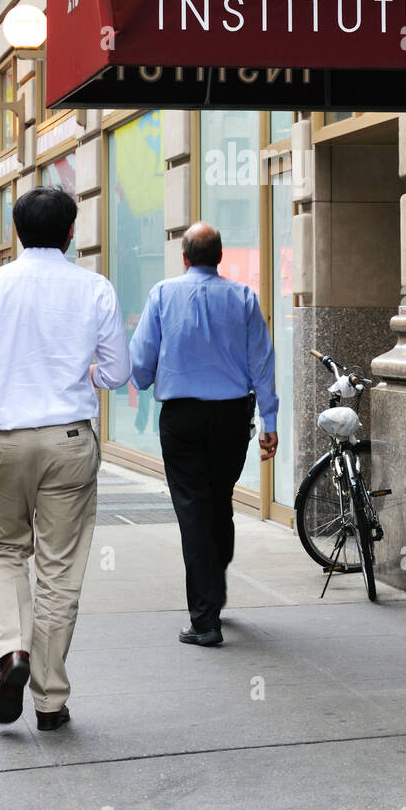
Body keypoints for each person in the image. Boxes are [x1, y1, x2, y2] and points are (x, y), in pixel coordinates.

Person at [0, 187, 130, 731]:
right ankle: (50, 701)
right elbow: (116, 373)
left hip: (1, 443)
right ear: (71, 232)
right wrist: (86, 374)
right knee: (59, 572)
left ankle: (12, 653)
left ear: (15, 234)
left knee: (2, 552)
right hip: (68, 443)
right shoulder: (95, 288)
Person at [130, 221, 279, 648]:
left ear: (184, 257)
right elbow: (262, 362)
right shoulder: (244, 298)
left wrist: (139, 381)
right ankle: (213, 590)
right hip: (232, 416)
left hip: (182, 418)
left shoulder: (162, 294)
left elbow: (142, 360)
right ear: (220, 257)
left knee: (194, 510)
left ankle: (205, 619)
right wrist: (269, 421)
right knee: (219, 500)